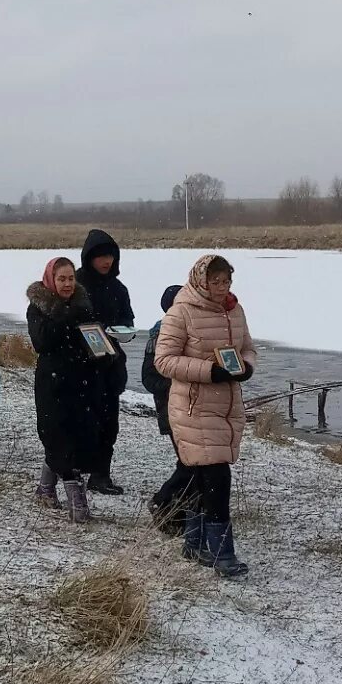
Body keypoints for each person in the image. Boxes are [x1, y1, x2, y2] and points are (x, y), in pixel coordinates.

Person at [155, 255, 256, 578]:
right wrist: (209, 371)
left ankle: (194, 542)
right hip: (193, 406)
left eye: (227, 281)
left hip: (226, 406)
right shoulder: (181, 312)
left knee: (200, 477)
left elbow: (248, 348)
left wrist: (246, 368)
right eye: (216, 282)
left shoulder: (234, 310)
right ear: (201, 280)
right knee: (216, 477)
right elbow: (165, 361)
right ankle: (222, 552)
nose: (222, 288)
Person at [26, 257, 108, 523]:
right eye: (61, 279)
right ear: (51, 279)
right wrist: (65, 317)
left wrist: (105, 350)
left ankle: (45, 489)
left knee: (73, 436)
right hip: (53, 381)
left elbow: (91, 338)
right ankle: (78, 502)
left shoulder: (83, 304)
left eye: (71, 278)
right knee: (57, 435)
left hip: (81, 380)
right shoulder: (39, 307)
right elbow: (42, 341)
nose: (67, 284)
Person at [75, 229, 134, 494]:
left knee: (109, 423)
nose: (106, 261)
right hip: (81, 366)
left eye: (110, 255)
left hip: (110, 365)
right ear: (89, 258)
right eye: (100, 256)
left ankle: (100, 475)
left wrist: (120, 331)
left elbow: (127, 321)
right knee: (82, 421)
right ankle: (73, 471)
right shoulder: (75, 286)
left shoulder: (118, 288)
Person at [141, 284, 193, 535]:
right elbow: (149, 379)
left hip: (195, 408)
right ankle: (165, 505)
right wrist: (178, 382)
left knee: (193, 463)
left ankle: (179, 513)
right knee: (190, 463)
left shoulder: (196, 333)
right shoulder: (158, 336)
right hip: (171, 409)